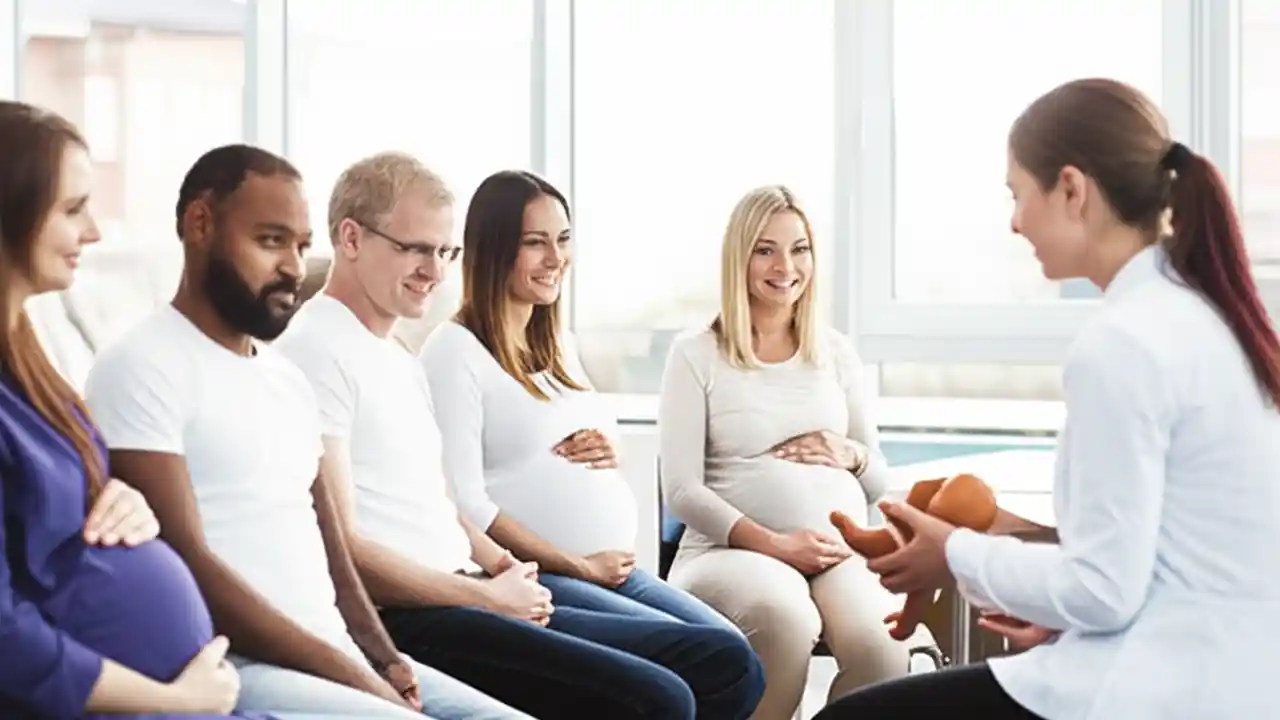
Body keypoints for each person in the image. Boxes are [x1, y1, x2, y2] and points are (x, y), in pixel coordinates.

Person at [819, 77, 1280, 719]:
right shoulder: (1214, 321)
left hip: (1160, 688)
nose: (1014, 221)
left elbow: (1101, 590)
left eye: (1018, 193)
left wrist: (951, 554)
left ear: (1071, 189)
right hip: (1237, 677)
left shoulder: (1123, 342)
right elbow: (1171, 553)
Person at [275, 151, 765, 719]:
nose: (434, 271)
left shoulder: (394, 351)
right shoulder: (315, 351)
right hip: (415, 613)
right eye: (414, 248)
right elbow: (346, 549)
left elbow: (439, 505)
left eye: (443, 251)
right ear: (351, 239)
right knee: (662, 697)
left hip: (473, 585)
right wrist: (486, 594)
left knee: (723, 664)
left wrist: (505, 568)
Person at [82, 144, 526, 720]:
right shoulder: (142, 364)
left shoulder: (285, 379)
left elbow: (332, 548)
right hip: (235, 663)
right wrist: (353, 677)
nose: (292, 266)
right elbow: (186, 563)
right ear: (200, 225)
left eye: (299, 246)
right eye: (270, 241)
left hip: (335, 654)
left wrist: (381, 655)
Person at [419, 169, 765, 719]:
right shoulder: (453, 353)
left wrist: (609, 451)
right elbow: (464, 502)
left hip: (611, 568)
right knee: (710, 664)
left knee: (738, 658)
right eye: (535, 243)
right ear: (492, 250)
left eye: (563, 239)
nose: (556, 257)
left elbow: (564, 441)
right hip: (539, 575)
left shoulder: (555, 342)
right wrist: (576, 566)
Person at [0, 101, 253, 719]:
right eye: (72, 209)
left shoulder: (28, 364)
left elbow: (57, 508)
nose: (94, 233)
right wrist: (172, 700)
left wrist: (118, 495)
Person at [657, 184, 923, 718]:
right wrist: (776, 544)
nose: (786, 265)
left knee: (885, 647)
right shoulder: (696, 354)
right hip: (728, 554)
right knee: (783, 620)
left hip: (835, 552)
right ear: (740, 257)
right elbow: (682, 491)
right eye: (765, 249)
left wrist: (852, 456)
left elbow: (877, 477)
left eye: (799, 248)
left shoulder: (836, 352)